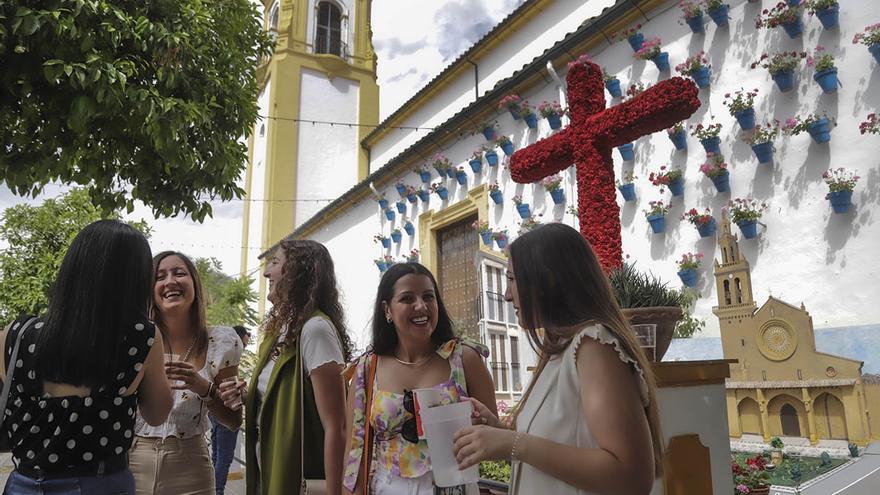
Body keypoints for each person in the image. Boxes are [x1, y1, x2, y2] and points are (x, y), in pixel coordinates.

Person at [451, 223, 663, 495]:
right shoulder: (560, 351)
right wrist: (497, 434)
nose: (506, 294)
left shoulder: (593, 345)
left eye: (513, 279)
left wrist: (514, 443)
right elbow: (558, 453)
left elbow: (630, 477)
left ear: (548, 281)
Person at [0, 220, 173, 494]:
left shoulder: (15, 334)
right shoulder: (142, 337)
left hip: (25, 484)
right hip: (102, 484)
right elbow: (156, 414)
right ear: (135, 280)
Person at [342, 262, 497, 495]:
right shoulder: (367, 369)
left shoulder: (464, 359)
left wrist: (481, 426)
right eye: (407, 299)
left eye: (428, 297)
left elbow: (496, 435)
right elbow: (354, 451)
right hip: (388, 489)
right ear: (387, 310)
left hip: (456, 487)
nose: (421, 306)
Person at [220, 239, 353, 495]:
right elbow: (281, 398)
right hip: (265, 468)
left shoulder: (315, 329)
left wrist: (336, 492)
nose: (267, 272)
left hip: (296, 478)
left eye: (275, 263)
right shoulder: (278, 333)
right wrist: (246, 395)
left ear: (299, 272)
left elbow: (337, 425)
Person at [129, 251, 244, 495]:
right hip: (132, 465)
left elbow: (233, 421)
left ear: (195, 284)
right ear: (150, 290)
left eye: (179, 273)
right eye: (159, 276)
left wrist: (202, 386)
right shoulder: (134, 340)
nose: (170, 281)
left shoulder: (221, 341)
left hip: (192, 471)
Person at [210, 325, 251, 495]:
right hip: (225, 411)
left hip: (215, 413)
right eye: (243, 344)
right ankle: (217, 491)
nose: (243, 348)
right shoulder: (229, 356)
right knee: (224, 457)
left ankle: (214, 488)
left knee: (217, 454)